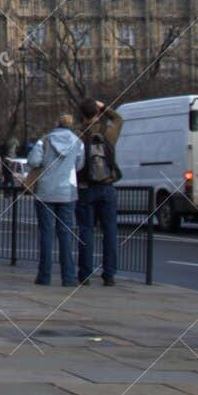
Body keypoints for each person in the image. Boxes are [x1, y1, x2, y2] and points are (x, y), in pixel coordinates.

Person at [27, 113, 84, 287]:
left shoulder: (44, 140)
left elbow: (33, 161)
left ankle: (44, 275)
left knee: (46, 233)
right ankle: (68, 277)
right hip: (67, 191)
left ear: (56, 123)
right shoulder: (78, 142)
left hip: (46, 190)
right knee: (66, 234)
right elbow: (79, 165)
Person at [76, 97, 124, 286]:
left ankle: (85, 273)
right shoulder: (109, 132)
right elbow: (119, 119)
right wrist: (104, 108)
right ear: (96, 112)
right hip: (107, 186)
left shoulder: (79, 134)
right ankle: (109, 274)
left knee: (86, 230)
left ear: (81, 114)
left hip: (86, 187)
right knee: (110, 231)